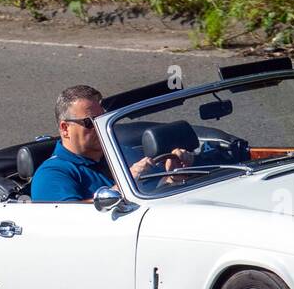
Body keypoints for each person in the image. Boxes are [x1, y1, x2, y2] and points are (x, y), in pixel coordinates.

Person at [30, 85, 192, 202]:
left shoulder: (124, 153)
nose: (100, 128)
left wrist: (173, 177)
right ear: (65, 129)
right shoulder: (51, 174)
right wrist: (125, 186)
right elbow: (71, 219)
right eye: (90, 122)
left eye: (103, 120)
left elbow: (154, 195)